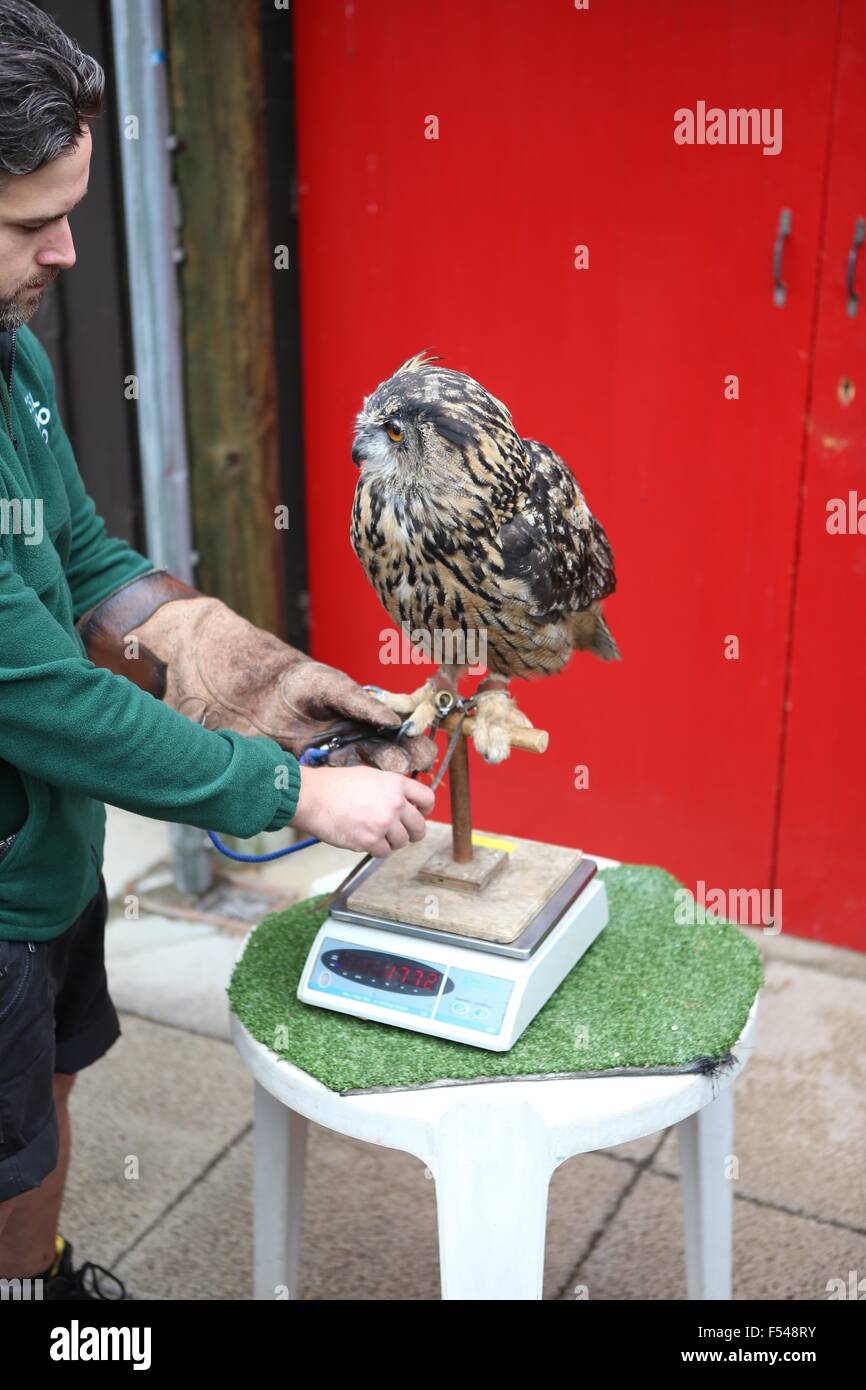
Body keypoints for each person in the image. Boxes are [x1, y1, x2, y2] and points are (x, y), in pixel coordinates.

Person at [0, 0, 435, 1300]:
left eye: (77, 210)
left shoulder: (10, 353)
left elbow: (81, 554)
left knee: (45, 1110)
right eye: (32, 223)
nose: (72, 252)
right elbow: (46, 702)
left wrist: (234, 657)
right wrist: (294, 792)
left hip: (41, 870)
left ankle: (45, 1287)